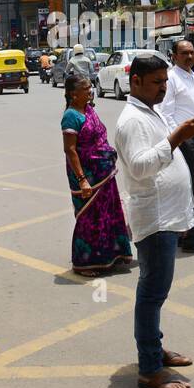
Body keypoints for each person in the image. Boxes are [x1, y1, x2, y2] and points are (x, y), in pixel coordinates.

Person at [115, 54, 194, 388]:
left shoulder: (147, 112)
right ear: (135, 81)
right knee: (152, 294)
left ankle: (155, 349)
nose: (163, 88)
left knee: (156, 293)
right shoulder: (131, 121)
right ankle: (150, 368)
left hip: (165, 216)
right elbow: (139, 168)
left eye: (165, 82)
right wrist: (177, 137)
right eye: (156, 82)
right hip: (154, 219)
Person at [60, 74, 133, 277]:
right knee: (89, 218)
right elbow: (70, 150)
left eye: (91, 87)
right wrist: (83, 180)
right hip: (88, 177)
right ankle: (84, 262)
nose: (90, 91)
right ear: (73, 95)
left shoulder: (89, 110)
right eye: (86, 89)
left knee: (108, 213)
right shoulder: (71, 116)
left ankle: (112, 256)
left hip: (104, 172)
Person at [157, 37, 194, 253]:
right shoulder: (172, 78)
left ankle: (184, 232)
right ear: (174, 56)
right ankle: (189, 237)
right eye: (185, 53)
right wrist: (179, 138)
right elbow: (165, 112)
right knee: (187, 187)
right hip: (186, 139)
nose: (190, 56)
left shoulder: (192, 76)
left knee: (192, 185)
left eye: (192, 53)